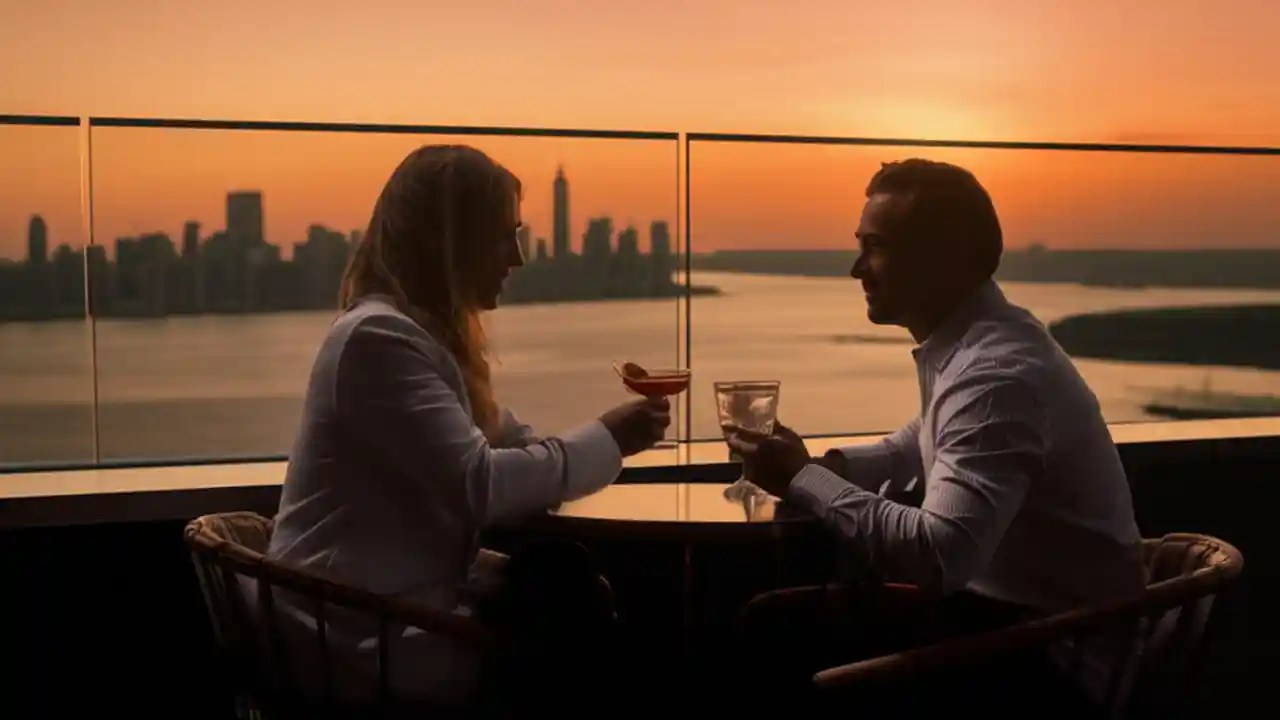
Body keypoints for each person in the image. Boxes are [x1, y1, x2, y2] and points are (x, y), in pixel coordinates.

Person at [727, 159, 1144, 713]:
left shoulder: (996, 376)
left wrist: (804, 479)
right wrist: (826, 467)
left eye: (876, 248)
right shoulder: (981, 345)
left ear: (944, 260)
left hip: (1052, 662)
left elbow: (938, 557)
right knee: (781, 614)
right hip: (1011, 623)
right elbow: (914, 444)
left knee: (777, 630)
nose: (857, 269)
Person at [265, 145, 670, 709]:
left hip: (373, 608)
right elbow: (482, 485)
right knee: (576, 612)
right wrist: (611, 438)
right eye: (504, 237)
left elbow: (497, 439)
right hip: (356, 636)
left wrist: (557, 450)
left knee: (564, 582)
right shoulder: (378, 341)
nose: (518, 259)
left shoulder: (412, 338)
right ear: (450, 242)